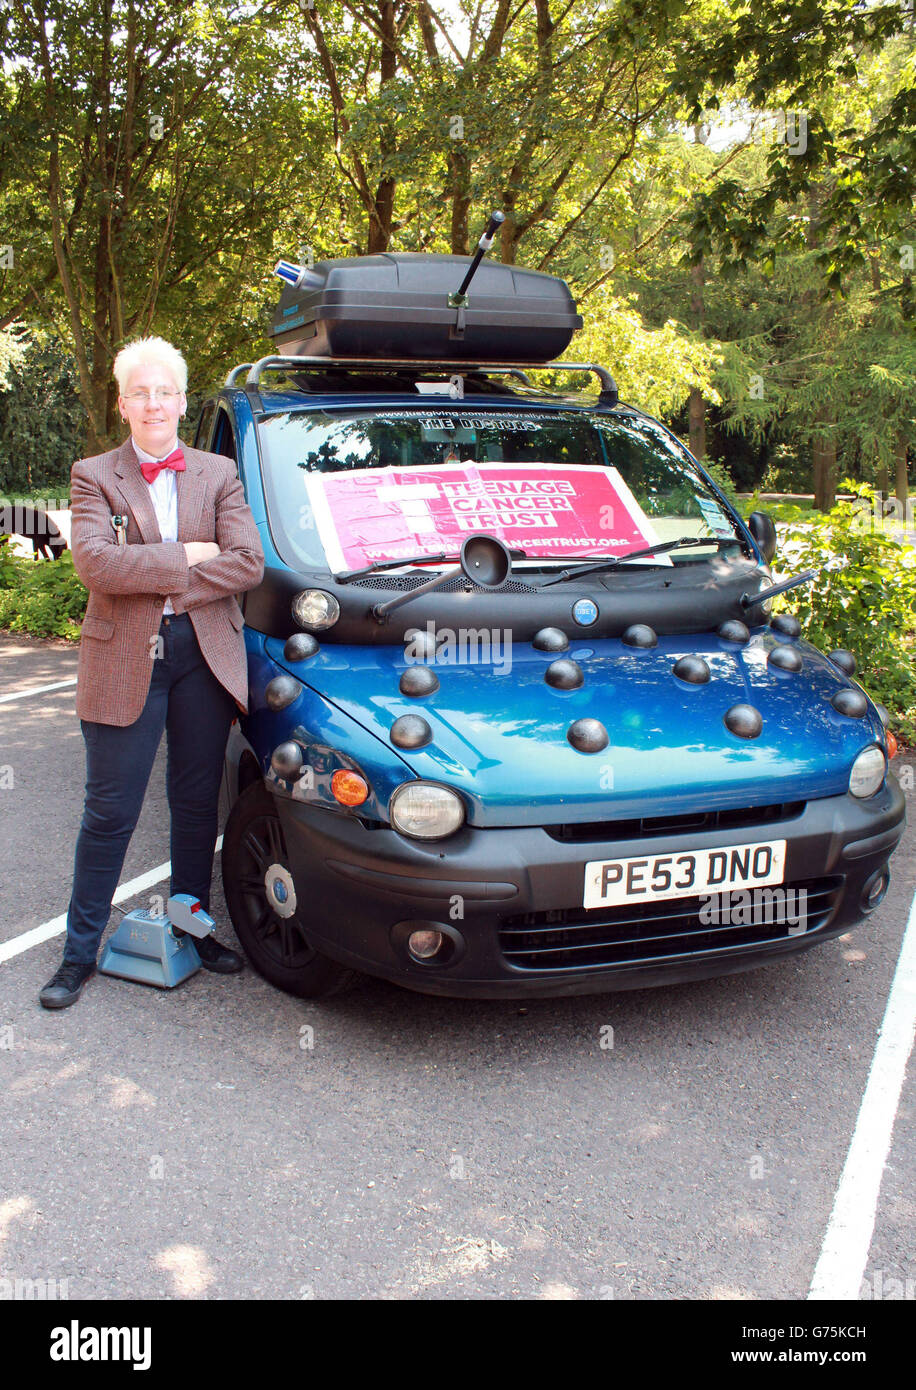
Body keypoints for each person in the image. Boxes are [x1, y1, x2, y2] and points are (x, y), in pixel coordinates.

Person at [39, 336, 265, 1009]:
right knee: (110, 812)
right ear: (123, 402)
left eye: (164, 390)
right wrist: (191, 557)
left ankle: (192, 931)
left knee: (196, 807)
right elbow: (96, 566)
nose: (153, 401)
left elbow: (248, 564)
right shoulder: (94, 474)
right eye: (140, 391)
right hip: (123, 657)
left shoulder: (218, 472)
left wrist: (161, 574)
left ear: (181, 399)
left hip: (203, 656)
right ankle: (78, 954)